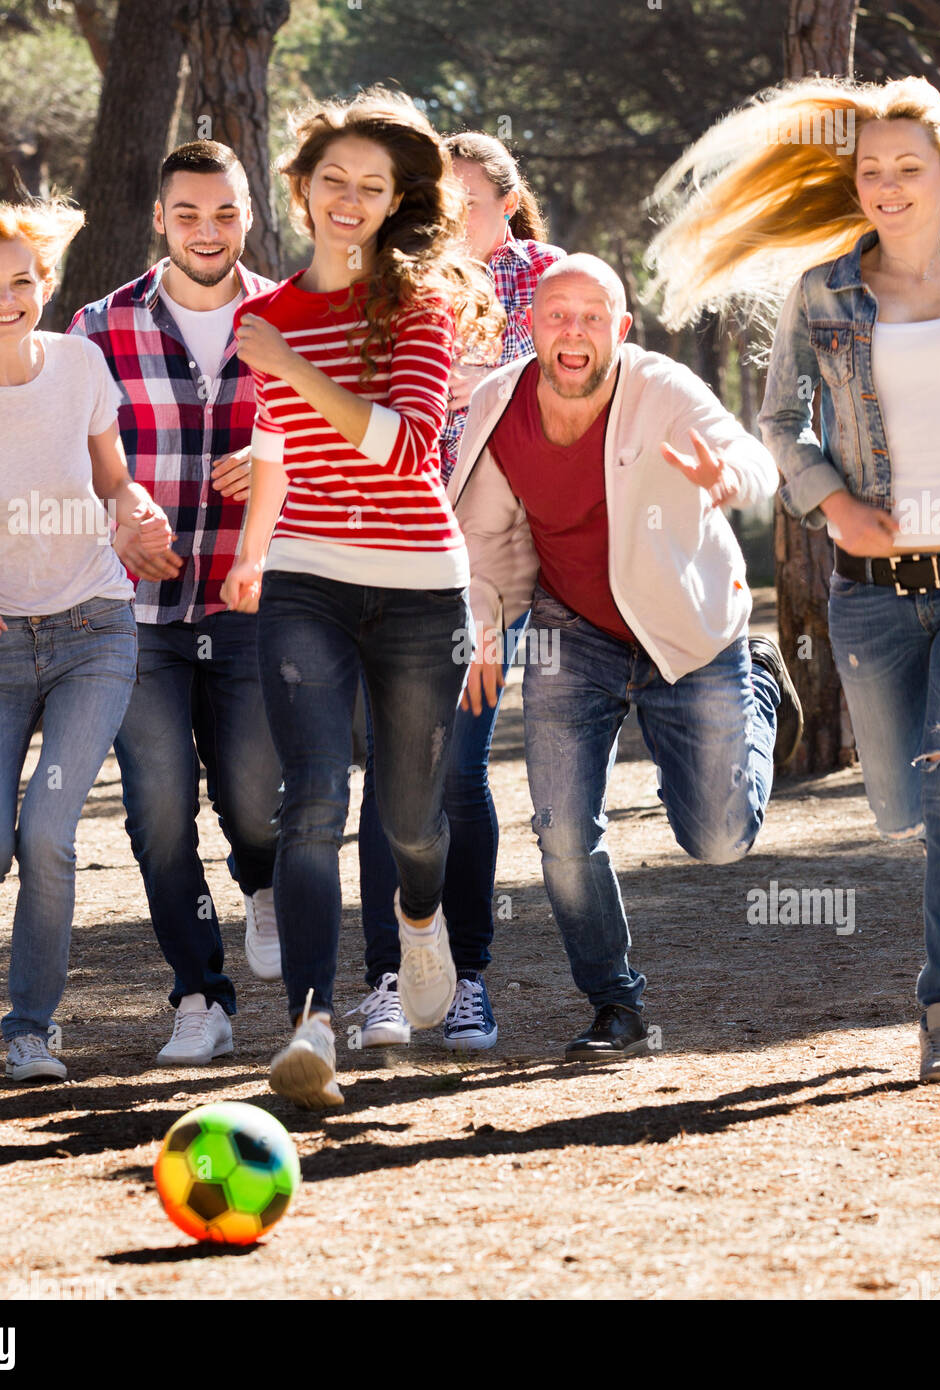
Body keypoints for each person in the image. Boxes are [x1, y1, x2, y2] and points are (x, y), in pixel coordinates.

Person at [647, 75, 940, 1082]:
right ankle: (813, 728)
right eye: (872, 170)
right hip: (870, 591)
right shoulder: (824, 293)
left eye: (909, 167)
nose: (888, 185)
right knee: (899, 808)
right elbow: (781, 424)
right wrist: (836, 506)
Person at [220, 87, 503, 1108]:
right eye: (331, 180)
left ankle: (422, 925)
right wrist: (253, 552)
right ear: (302, 191)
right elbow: (277, 446)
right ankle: (312, 1025)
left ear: (393, 203)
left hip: (421, 587)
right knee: (312, 800)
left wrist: (290, 361)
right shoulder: (264, 315)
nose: (348, 199)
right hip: (307, 582)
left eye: (369, 187)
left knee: (413, 821)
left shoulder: (417, 304)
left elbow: (404, 446)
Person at [450, 254, 802, 1062]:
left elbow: (747, 456)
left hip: (690, 632)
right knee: (564, 832)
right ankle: (616, 1005)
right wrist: (484, 625)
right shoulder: (498, 405)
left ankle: (761, 691)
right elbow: (484, 537)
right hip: (574, 635)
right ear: (531, 324)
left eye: (590, 316)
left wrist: (730, 478)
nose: (572, 331)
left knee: (717, 838)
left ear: (619, 329)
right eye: (555, 314)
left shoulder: (663, 389)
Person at [0, 191, 171, 1082]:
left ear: (45, 283)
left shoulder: (83, 367)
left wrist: (135, 511)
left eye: (21, 280)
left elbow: (113, 478)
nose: (6, 297)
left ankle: (29, 1028)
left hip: (94, 628)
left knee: (47, 834)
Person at [68, 141, 283, 1067]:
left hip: (251, 602)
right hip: (139, 616)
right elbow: (63, 458)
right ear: (159, 218)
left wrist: (278, 470)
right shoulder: (98, 326)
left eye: (226, 213)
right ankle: (200, 995)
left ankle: (263, 880)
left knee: (253, 801)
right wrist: (115, 520)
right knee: (158, 811)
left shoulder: (289, 320)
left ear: (250, 215)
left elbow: (334, 453)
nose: (208, 231)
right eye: (189, 214)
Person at [352, 132, 565, 1051]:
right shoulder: (392, 285)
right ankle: (389, 979)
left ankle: (467, 975)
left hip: (487, 562)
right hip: (386, 554)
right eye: (437, 203)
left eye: (469, 202)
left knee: (459, 766)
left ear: (509, 205)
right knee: (389, 775)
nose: (451, 220)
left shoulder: (550, 282)